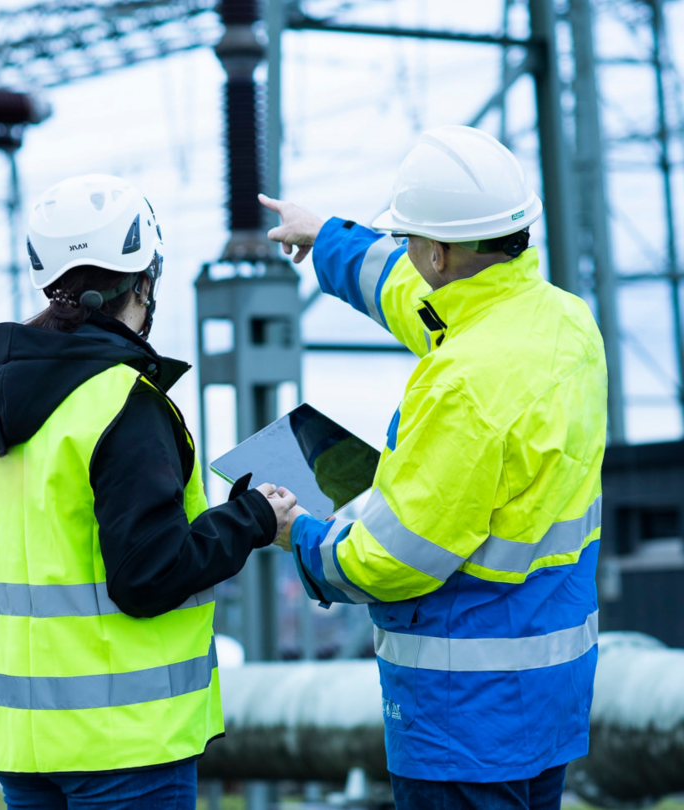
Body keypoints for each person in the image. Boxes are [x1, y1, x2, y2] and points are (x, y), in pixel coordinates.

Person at [262, 125, 607, 810]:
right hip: (549, 701)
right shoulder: (565, 325)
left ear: (440, 253)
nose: (407, 255)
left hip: (462, 727)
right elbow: (408, 291)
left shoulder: (462, 382)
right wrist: (326, 234)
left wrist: (294, 531)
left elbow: (388, 562)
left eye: (412, 241)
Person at [0, 173, 297, 810]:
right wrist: (252, 517)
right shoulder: (124, 404)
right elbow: (148, 574)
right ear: (144, 279)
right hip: (124, 745)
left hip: (24, 745)